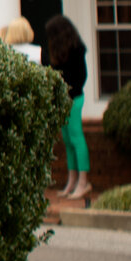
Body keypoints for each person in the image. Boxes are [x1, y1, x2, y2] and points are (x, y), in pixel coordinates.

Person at [41, 14, 91, 202]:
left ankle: (83, 182)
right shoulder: (56, 53)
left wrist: (69, 92)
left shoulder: (77, 50)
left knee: (77, 139)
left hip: (74, 99)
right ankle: (72, 180)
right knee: (68, 141)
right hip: (63, 101)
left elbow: (82, 77)